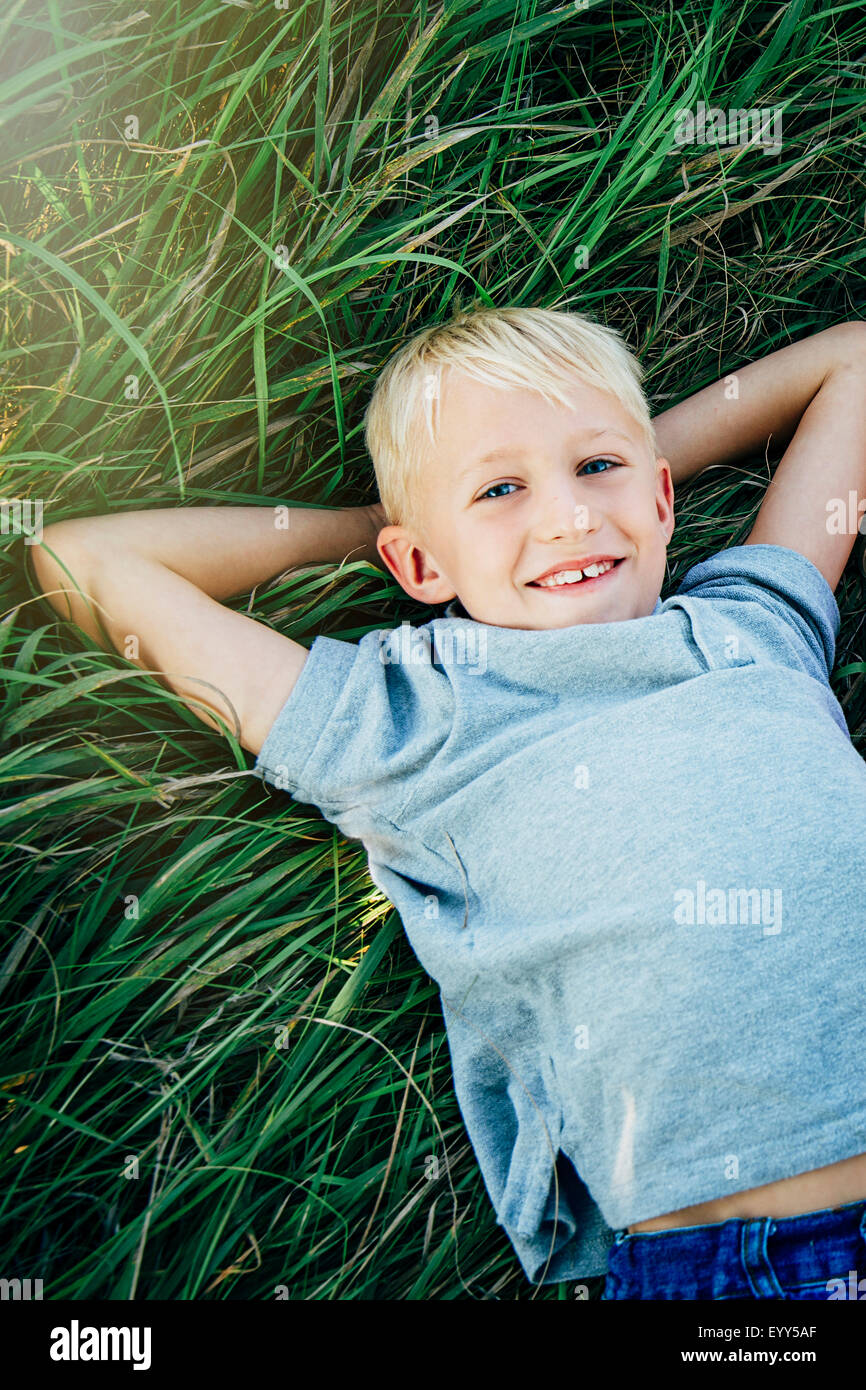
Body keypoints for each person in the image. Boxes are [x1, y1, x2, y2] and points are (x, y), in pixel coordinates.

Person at [31, 304, 866, 1300]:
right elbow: (86, 561)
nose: (563, 517)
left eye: (594, 469)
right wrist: (375, 533)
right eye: (500, 489)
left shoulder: (750, 620)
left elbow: (853, 362)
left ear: (659, 496)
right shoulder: (405, 716)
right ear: (417, 564)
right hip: (750, 1273)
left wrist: (624, 475)